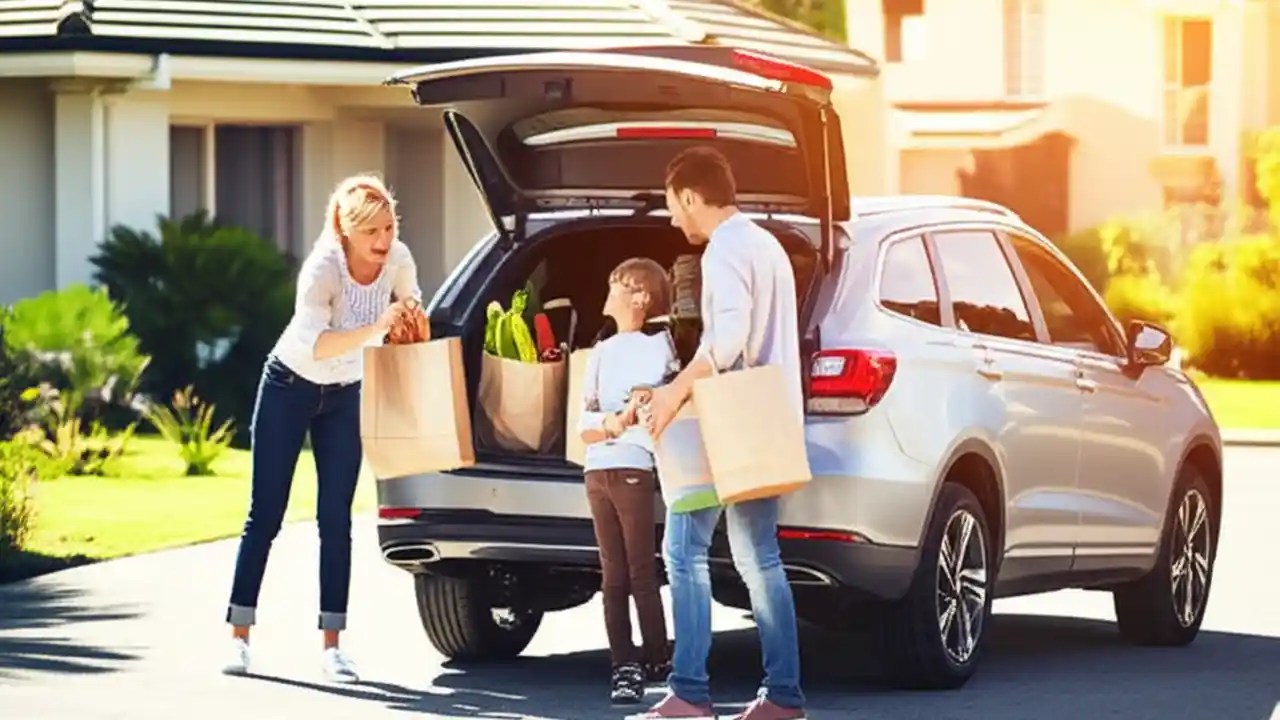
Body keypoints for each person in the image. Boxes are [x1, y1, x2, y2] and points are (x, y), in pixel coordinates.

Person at [221, 174, 424, 682]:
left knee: (336, 519)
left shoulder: (398, 259)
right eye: (371, 231)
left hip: (345, 394)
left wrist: (411, 322)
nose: (382, 241)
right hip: (289, 385)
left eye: (389, 227)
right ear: (345, 230)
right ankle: (239, 636)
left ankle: (333, 647)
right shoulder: (322, 270)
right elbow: (318, 346)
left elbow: (414, 322)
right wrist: (379, 327)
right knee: (265, 513)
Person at [636, 147, 807, 720]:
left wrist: (673, 391)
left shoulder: (725, 250)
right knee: (760, 557)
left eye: (671, 206)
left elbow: (728, 340)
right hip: (766, 419)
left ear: (689, 196)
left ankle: (689, 694)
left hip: (727, 425)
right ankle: (783, 696)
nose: (673, 220)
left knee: (682, 550)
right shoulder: (767, 245)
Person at [578, 258, 681, 705]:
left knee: (639, 568)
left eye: (617, 284)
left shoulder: (660, 346)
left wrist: (623, 417)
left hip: (634, 466)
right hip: (597, 469)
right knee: (615, 573)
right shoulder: (600, 352)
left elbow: (670, 396)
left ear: (641, 298)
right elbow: (583, 423)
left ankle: (657, 658)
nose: (608, 289)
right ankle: (626, 664)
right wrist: (616, 419)